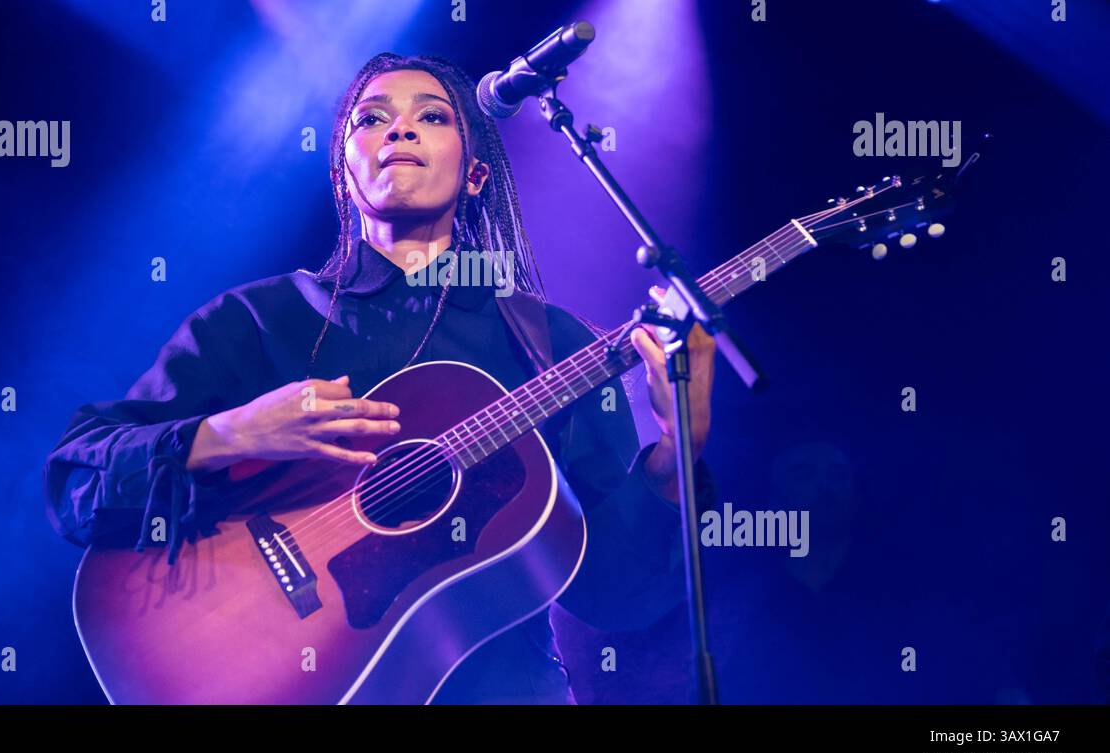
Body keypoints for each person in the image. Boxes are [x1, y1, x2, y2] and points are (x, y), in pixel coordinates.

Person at [43, 52, 717, 704]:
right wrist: (229, 432)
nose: (399, 129)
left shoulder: (553, 345)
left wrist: (673, 455)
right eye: (371, 119)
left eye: (433, 117)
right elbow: (75, 485)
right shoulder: (255, 320)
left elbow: (619, 597)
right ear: (343, 175)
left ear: (476, 172)